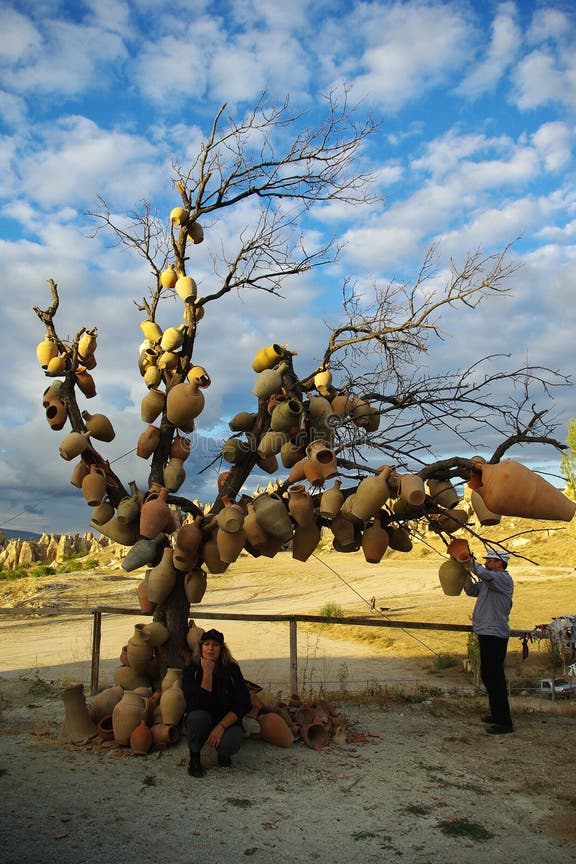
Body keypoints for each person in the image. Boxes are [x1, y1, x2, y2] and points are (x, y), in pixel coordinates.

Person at [182, 628, 252, 777]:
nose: (210, 648)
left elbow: (244, 703)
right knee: (196, 718)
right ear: (201, 647)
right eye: (206, 644)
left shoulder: (231, 670)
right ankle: (194, 757)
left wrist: (221, 726)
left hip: (225, 719)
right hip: (204, 717)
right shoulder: (192, 670)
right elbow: (196, 705)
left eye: (215, 645)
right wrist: (207, 673)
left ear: (222, 649)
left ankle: (223, 753)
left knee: (231, 741)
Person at [463, 548, 514, 735]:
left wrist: (469, 561)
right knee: (489, 675)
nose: (486, 563)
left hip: (495, 633)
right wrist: (464, 573)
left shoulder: (502, 579)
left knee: (495, 678)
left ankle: (504, 721)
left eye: (490, 561)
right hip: (486, 632)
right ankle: (496, 714)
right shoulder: (490, 581)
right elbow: (471, 591)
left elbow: (483, 573)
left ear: (499, 563)